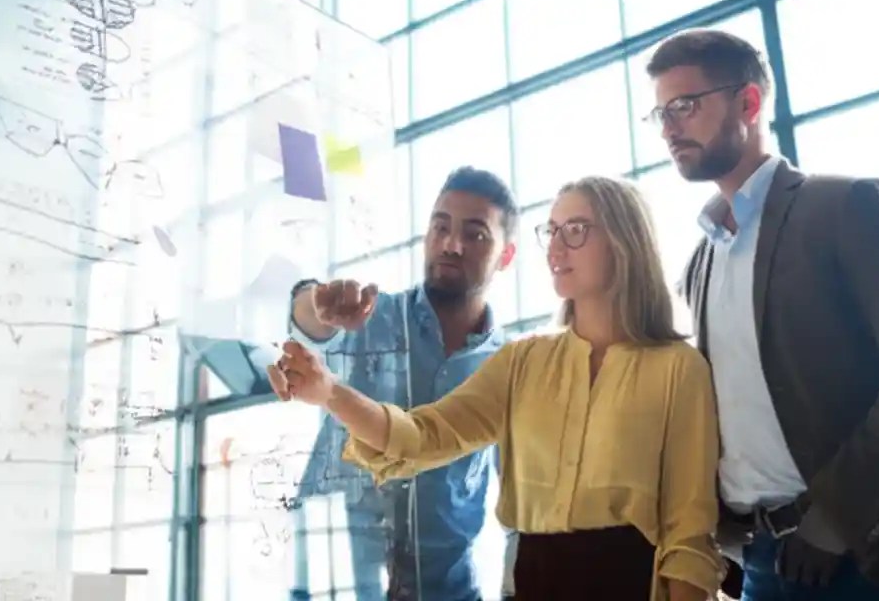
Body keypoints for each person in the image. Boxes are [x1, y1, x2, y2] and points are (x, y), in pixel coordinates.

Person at [643, 28, 879, 600]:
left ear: (749, 103)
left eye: (684, 106)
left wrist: (835, 521)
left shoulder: (848, 206)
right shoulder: (699, 262)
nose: (667, 127)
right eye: (659, 113)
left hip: (878, 559)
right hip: (764, 566)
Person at [271, 176, 726, 601]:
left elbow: (689, 537)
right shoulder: (519, 363)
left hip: (631, 583)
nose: (556, 247)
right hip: (530, 582)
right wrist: (330, 392)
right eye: (551, 231)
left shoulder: (678, 369)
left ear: (625, 241)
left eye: (576, 230)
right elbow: (421, 437)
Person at [285, 166, 518, 601]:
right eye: (440, 227)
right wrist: (316, 301)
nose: (451, 244)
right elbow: (306, 326)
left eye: (476, 234)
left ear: (506, 256)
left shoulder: (512, 367)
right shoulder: (370, 317)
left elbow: (521, 508)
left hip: (448, 589)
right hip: (337, 583)